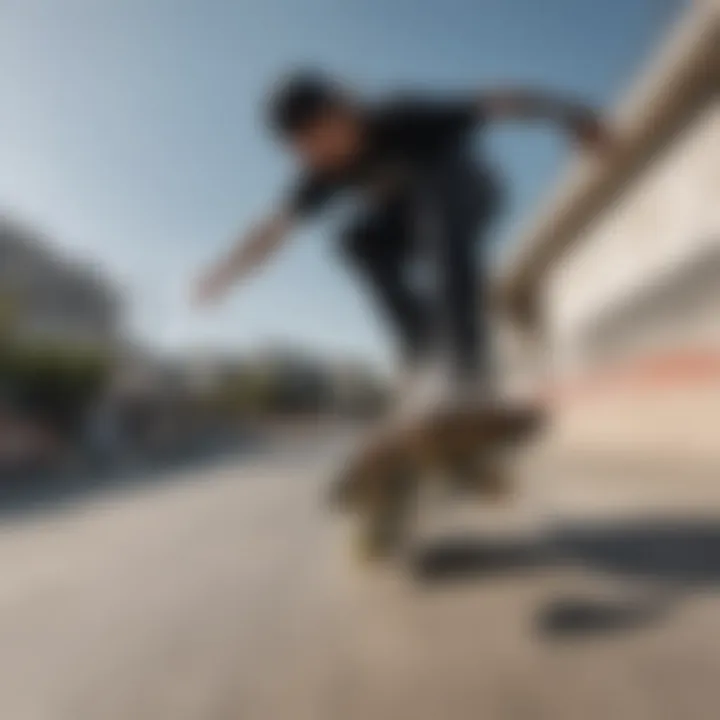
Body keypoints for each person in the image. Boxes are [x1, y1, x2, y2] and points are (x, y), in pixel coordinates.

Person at [194, 70, 610, 417]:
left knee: (438, 210)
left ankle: (467, 374)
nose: (319, 158)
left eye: (318, 141)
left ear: (340, 112)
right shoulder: (325, 173)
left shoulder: (401, 117)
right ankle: (423, 352)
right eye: (304, 152)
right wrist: (227, 273)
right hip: (411, 223)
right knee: (355, 241)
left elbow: (497, 103)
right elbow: (275, 229)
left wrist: (574, 115)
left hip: (469, 192)